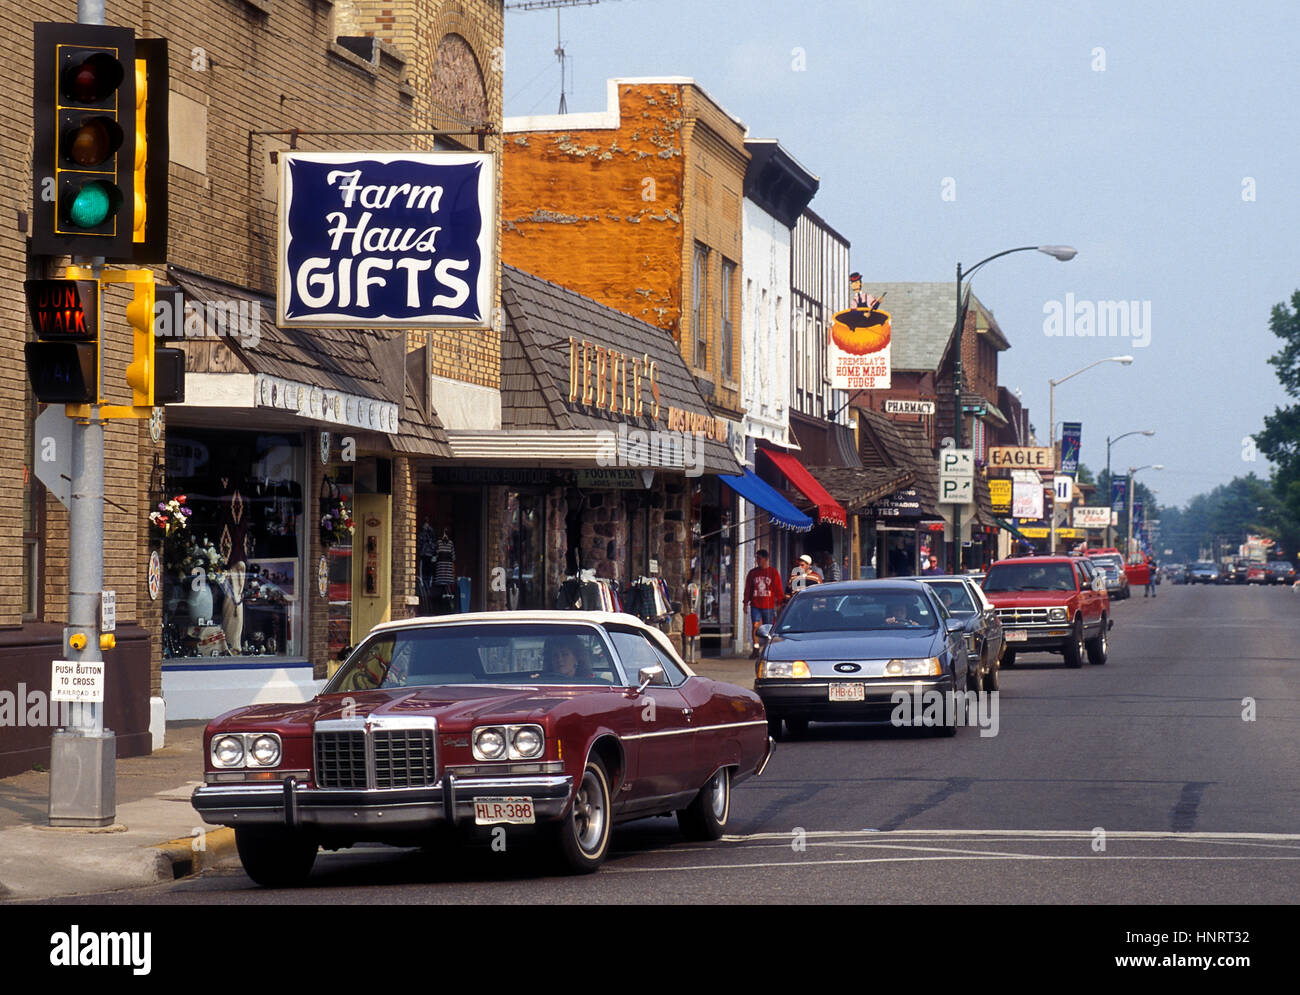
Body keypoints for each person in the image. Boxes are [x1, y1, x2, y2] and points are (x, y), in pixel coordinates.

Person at [743, 549, 785, 658]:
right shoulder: (752, 573)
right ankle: (756, 648)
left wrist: (780, 602)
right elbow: (748, 588)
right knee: (755, 625)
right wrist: (745, 602)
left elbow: (778, 589)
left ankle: (767, 649)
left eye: (759, 558)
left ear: (766, 559)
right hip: (755, 604)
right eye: (756, 558)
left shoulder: (773, 572)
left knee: (768, 628)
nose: (757, 561)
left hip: (768, 604)